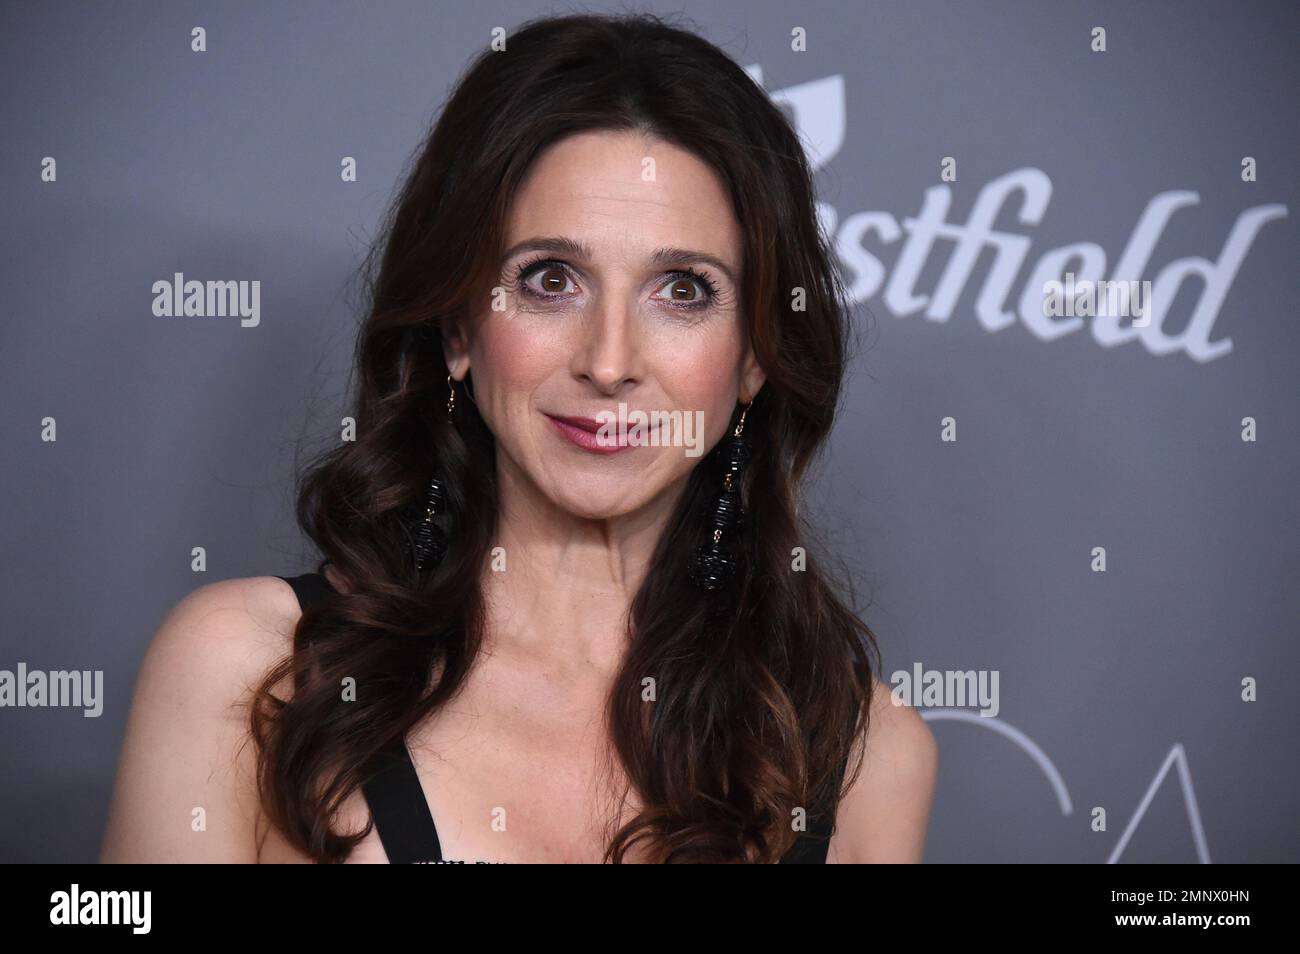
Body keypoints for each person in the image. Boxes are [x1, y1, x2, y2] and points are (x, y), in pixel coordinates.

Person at [101, 11, 936, 864]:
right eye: (549, 279)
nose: (609, 362)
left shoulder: (863, 756)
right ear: (460, 330)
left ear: (756, 355)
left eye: (683, 289)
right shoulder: (250, 674)